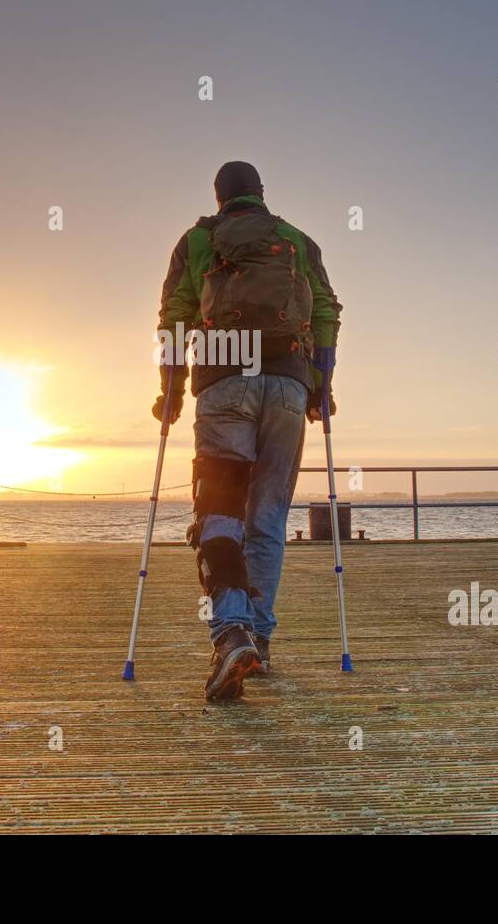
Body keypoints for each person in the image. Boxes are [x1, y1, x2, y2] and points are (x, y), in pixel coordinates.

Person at [154, 160, 342, 702]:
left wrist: (170, 386)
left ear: (219, 199)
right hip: (286, 381)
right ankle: (259, 636)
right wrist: (319, 385)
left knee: (219, 510)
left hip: (223, 380)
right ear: (261, 194)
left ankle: (232, 632)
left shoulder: (197, 241)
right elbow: (326, 311)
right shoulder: (296, 241)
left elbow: (175, 315)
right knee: (267, 517)